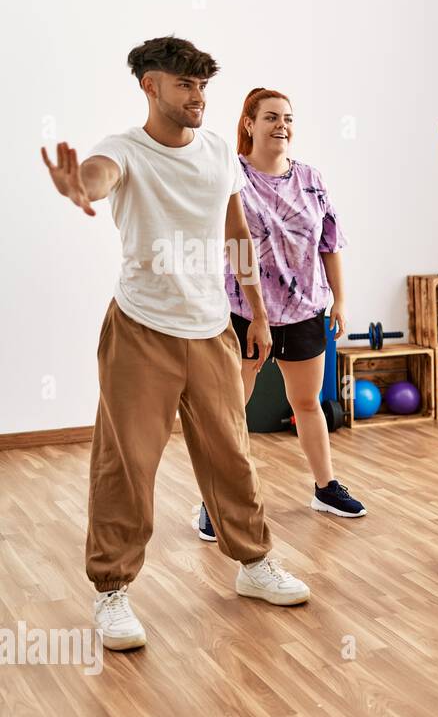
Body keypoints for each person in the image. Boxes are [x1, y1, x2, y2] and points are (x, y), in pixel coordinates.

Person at [41, 36, 311, 651]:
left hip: (211, 327)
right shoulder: (124, 150)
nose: (196, 97)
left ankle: (253, 564)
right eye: (183, 84)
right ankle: (111, 590)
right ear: (150, 86)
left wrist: (258, 313)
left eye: (201, 86)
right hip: (141, 329)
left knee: (231, 456)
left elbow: (236, 230)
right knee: (127, 465)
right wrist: (78, 187)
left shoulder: (218, 151)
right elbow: (98, 176)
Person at [192, 86, 363, 542]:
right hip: (246, 312)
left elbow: (329, 243)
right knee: (232, 411)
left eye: (287, 117)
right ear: (249, 123)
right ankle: (214, 502)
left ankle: (325, 488)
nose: (281, 125)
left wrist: (340, 300)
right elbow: (228, 242)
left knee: (307, 404)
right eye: (270, 117)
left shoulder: (311, 177)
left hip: (306, 309)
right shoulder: (232, 177)